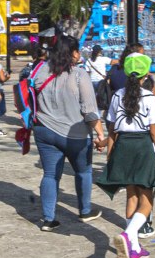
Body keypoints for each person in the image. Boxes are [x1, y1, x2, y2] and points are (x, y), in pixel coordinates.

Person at [28, 35, 105, 232]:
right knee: (83, 172)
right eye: (77, 50)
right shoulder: (79, 74)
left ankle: (48, 218)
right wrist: (100, 134)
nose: (79, 54)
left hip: (44, 129)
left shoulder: (40, 71)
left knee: (51, 174)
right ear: (71, 52)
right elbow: (89, 110)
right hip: (75, 133)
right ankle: (85, 210)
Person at [97, 53, 155, 258]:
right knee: (147, 200)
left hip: (123, 147)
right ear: (146, 73)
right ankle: (128, 235)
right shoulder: (149, 97)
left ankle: (134, 249)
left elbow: (111, 129)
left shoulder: (117, 95)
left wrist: (110, 154)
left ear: (126, 72)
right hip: (143, 147)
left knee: (131, 195)